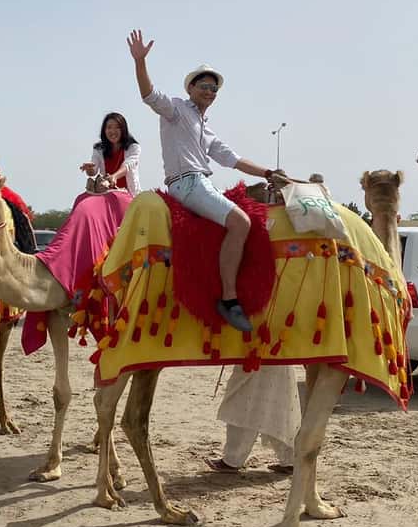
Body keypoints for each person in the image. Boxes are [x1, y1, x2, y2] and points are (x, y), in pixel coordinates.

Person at [128, 29, 283, 332]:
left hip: (203, 183)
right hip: (188, 183)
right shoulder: (176, 110)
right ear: (190, 88)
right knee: (241, 222)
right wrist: (140, 62)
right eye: (205, 86)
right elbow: (149, 94)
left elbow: (232, 159)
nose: (210, 92)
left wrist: (267, 172)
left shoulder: (204, 126)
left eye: (214, 89)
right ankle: (228, 298)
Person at [205, 365, 303, 475]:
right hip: (275, 359)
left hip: (260, 359)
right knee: (276, 409)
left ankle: (232, 460)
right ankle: (290, 460)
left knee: (245, 406)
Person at [80, 112, 141, 196]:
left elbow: (128, 165)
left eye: (117, 127)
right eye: (109, 127)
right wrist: (89, 169)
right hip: (106, 195)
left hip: (129, 196)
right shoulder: (98, 149)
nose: (113, 131)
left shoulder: (133, 147)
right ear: (104, 130)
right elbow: (93, 171)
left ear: (123, 129)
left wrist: (114, 177)